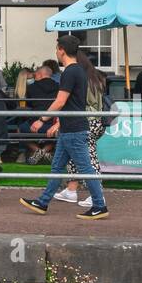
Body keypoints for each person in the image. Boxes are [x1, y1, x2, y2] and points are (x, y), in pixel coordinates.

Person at [19, 35, 109, 220]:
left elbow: (60, 101)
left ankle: (99, 205)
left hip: (74, 129)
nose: (56, 52)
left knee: (85, 168)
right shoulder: (78, 71)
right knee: (57, 167)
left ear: (61, 50)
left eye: (57, 48)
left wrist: (42, 119)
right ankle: (43, 201)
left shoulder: (70, 72)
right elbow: (72, 102)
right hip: (70, 128)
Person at [55, 49, 110, 209]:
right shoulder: (96, 78)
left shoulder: (81, 78)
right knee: (78, 155)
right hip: (95, 121)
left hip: (85, 121)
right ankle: (71, 189)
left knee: (88, 159)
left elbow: (76, 103)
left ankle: (96, 195)